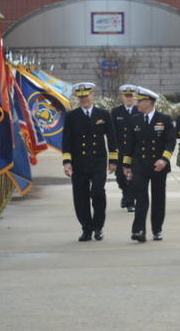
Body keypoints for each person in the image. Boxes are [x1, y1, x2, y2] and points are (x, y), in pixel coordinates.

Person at [62, 82, 118, 242]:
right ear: (77, 98)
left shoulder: (103, 114)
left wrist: (113, 160)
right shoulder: (72, 116)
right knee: (80, 197)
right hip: (79, 162)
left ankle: (98, 227)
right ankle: (86, 229)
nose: (83, 99)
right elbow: (67, 141)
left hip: (98, 161)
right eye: (80, 97)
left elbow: (111, 138)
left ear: (92, 95)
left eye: (86, 96)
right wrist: (67, 162)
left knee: (98, 192)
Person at [123, 87, 176, 242]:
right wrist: (126, 165)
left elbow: (170, 141)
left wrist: (164, 159)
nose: (137, 104)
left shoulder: (164, 119)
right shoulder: (135, 120)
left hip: (158, 165)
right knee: (141, 197)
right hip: (140, 165)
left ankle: (157, 229)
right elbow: (130, 145)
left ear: (149, 102)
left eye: (140, 101)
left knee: (158, 198)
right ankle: (139, 230)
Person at [110, 84, 138, 212]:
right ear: (122, 97)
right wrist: (114, 149)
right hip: (120, 150)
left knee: (133, 176)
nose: (129, 98)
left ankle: (129, 202)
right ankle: (126, 195)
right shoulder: (116, 112)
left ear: (134, 96)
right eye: (126, 96)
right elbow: (113, 132)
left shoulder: (139, 110)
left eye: (131, 96)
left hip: (135, 151)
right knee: (120, 177)